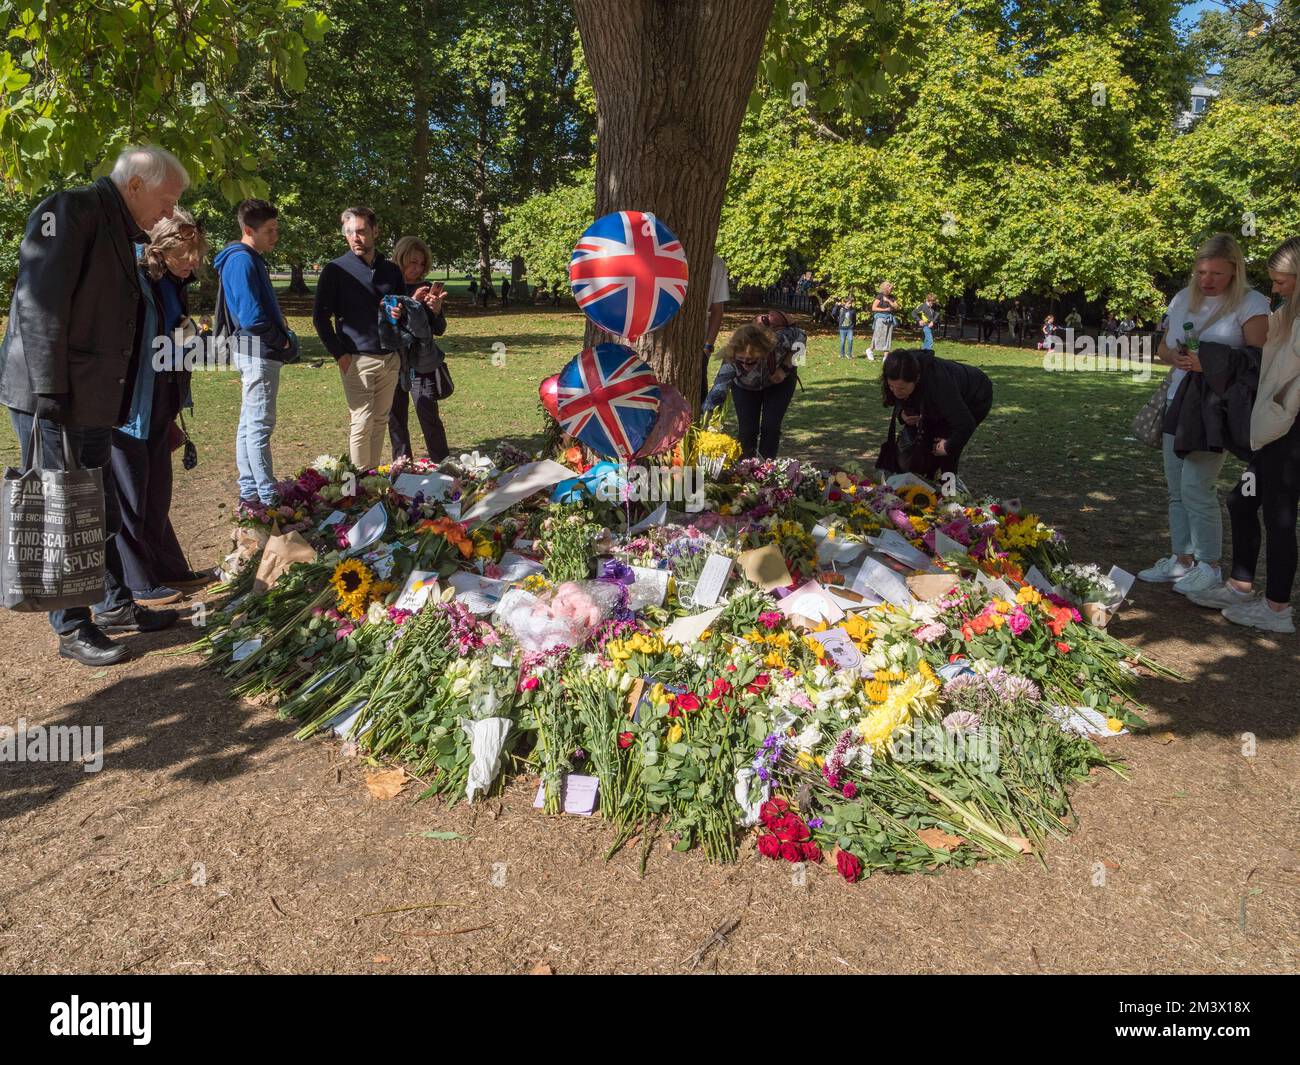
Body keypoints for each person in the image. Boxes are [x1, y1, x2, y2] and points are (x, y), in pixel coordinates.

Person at [0, 145, 186, 666]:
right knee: (64, 511)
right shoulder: (71, 210)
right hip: (56, 395)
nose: (170, 212)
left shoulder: (117, 227)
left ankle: (114, 605)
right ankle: (72, 626)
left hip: (92, 397)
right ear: (135, 185)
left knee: (98, 507)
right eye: (167, 199)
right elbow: (39, 303)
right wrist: (48, 392)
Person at [1138, 233, 1271, 594]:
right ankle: (1181, 560)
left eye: (1216, 273)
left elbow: (1259, 360)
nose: (1207, 280)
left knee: (1197, 486)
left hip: (1215, 409)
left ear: (1235, 271)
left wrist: (1209, 362)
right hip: (1177, 400)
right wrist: (1175, 357)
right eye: (1201, 272)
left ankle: (1208, 565)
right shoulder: (1183, 298)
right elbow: (1163, 347)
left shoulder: (1252, 302)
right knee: (1175, 487)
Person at [1184, 237, 1300, 632]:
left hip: (1290, 433)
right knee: (1241, 500)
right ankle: (1241, 586)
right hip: (1275, 431)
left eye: (1282, 282)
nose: (1275, 290)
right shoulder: (1286, 315)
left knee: (1280, 515)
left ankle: (1277, 608)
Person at [112, 208, 215, 607]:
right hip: (130, 406)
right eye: (186, 253)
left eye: (197, 253)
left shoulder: (174, 283)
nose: (194, 261)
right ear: (162, 247)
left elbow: (172, 338)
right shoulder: (135, 280)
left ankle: (166, 566)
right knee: (130, 494)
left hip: (161, 400)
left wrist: (191, 342)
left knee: (156, 492)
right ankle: (137, 581)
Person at [214, 199, 298, 508]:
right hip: (257, 349)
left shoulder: (246, 259)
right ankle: (266, 496)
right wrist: (282, 341)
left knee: (249, 423)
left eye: (277, 229)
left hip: (252, 347)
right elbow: (251, 317)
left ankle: (250, 491)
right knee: (259, 425)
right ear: (249, 230)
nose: (275, 236)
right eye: (269, 230)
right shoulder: (243, 260)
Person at [312, 206, 406, 469]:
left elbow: (403, 309)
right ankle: (359, 482)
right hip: (356, 359)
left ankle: (372, 479)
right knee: (362, 422)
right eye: (349, 232)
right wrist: (340, 355)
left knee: (380, 421)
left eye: (362, 231)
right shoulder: (335, 270)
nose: (355, 237)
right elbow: (320, 318)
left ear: (375, 231)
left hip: (389, 358)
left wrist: (400, 312)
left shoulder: (391, 270)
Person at [876, 348, 993, 479]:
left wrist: (948, 445)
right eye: (892, 387)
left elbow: (965, 424)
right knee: (924, 440)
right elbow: (898, 399)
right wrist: (902, 415)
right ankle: (924, 478)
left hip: (976, 394)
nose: (896, 392)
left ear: (916, 379)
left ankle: (948, 485)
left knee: (944, 443)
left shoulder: (938, 384)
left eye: (902, 388)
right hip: (941, 395)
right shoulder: (897, 369)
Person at [701, 310, 803, 459]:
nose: (745, 364)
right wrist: (706, 416)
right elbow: (719, 389)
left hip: (779, 384)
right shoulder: (730, 360)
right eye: (741, 359)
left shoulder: (780, 341)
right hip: (744, 387)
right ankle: (745, 467)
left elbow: (801, 337)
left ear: (764, 351)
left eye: (751, 360)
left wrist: (785, 368)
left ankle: (767, 466)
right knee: (747, 430)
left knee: (771, 427)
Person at [386, 235, 451, 463]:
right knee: (396, 418)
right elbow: (388, 327)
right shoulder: (388, 286)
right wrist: (411, 302)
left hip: (421, 362)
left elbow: (439, 329)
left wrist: (435, 310)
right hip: (394, 361)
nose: (417, 268)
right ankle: (402, 466)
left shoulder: (427, 288)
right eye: (413, 262)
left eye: (422, 264)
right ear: (401, 258)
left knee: (428, 415)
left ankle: (443, 465)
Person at [866, 282, 899, 361]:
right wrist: (885, 309)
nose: (891, 289)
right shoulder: (880, 296)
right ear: (885, 288)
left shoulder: (892, 297)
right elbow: (873, 308)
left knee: (888, 336)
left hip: (889, 319)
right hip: (880, 318)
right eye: (890, 288)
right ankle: (870, 350)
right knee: (878, 336)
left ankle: (886, 356)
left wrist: (888, 301)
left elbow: (897, 307)